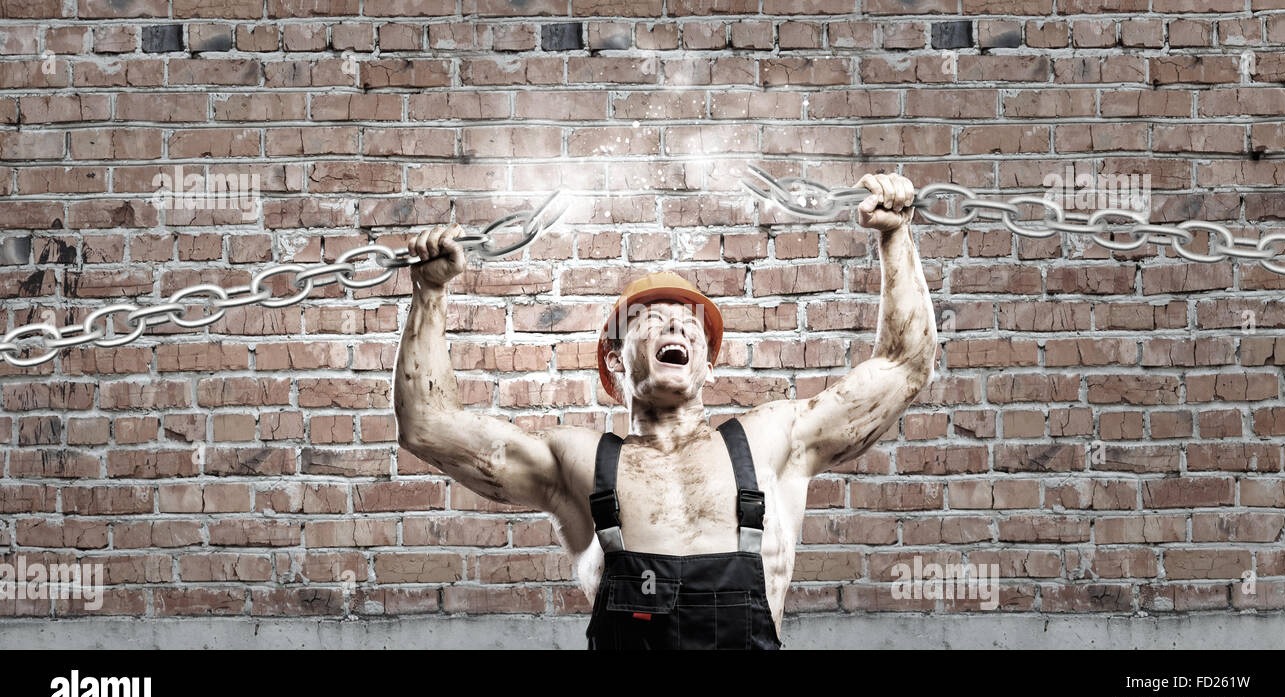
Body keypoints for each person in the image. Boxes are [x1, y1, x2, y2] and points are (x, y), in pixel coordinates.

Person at [393, 173, 938, 649]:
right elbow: (428, 424)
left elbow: (904, 366)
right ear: (614, 359)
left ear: (708, 367)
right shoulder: (575, 462)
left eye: (690, 322)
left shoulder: (773, 439)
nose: (676, 325)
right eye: (650, 318)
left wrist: (896, 236)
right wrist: (430, 292)